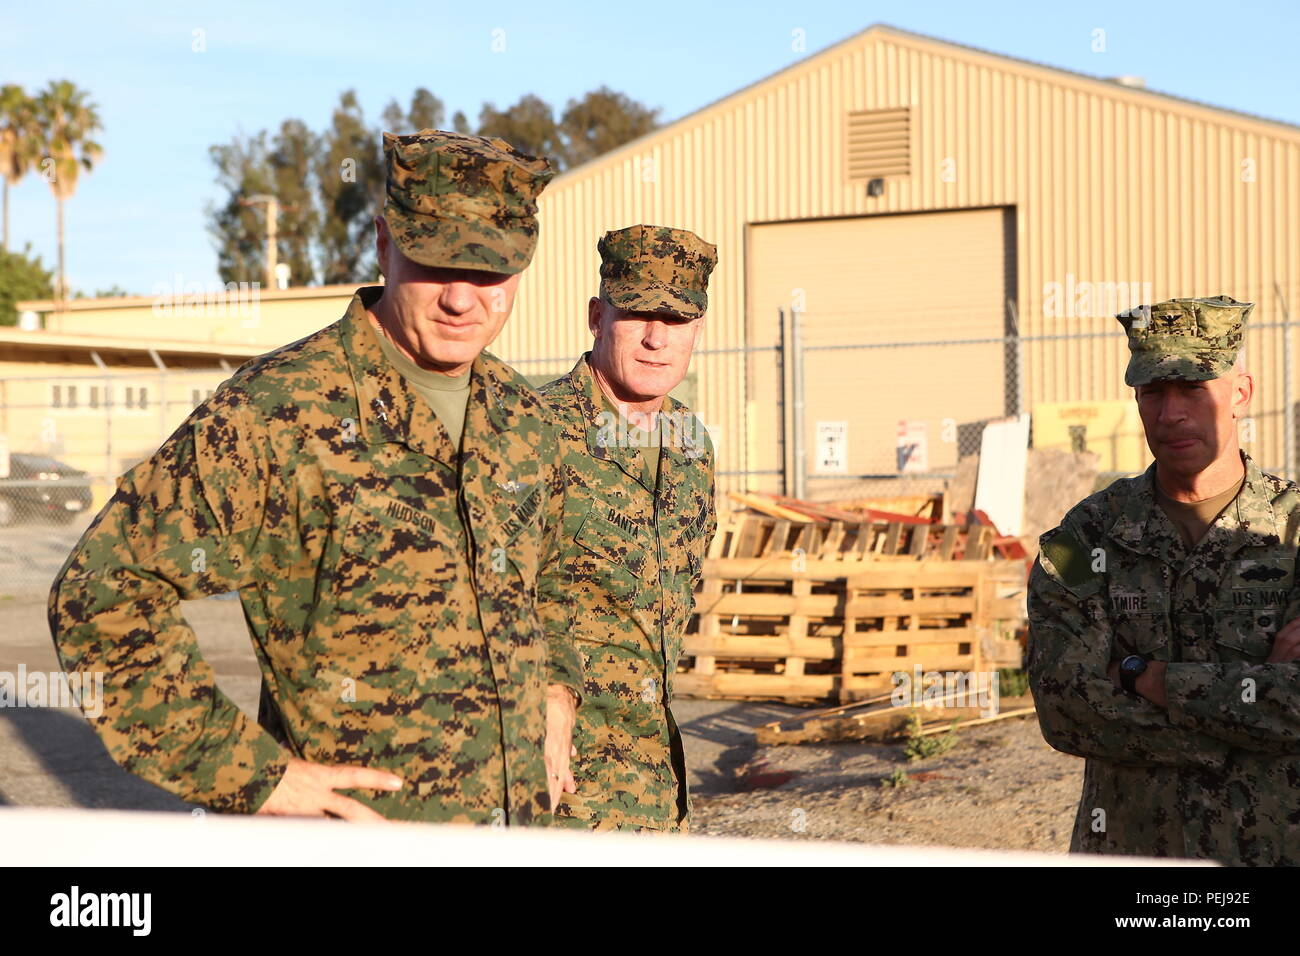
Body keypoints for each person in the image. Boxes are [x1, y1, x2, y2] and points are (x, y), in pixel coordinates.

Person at [48, 130, 582, 825]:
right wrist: (252, 775)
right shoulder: (278, 411)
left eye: (490, 274)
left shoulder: (523, 418)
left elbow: (552, 579)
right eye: (435, 264)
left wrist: (557, 691)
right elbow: (101, 592)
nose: (461, 299)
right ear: (385, 245)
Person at [1028, 294, 1300, 863]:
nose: (1171, 413)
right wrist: (1239, 722)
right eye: (1154, 391)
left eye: (1193, 388)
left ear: (1241, 394)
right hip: (1134, 855)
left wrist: (1142, 677)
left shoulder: (1293, 531)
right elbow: (1065, 707)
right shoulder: (1083, 538)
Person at [538, 224, 718, 832]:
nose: (655, 338)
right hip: (557, 797)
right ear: (596, 316)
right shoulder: (530, 434)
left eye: (677, 320)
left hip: (658, 791)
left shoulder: (692, 445)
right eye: (636, 312)